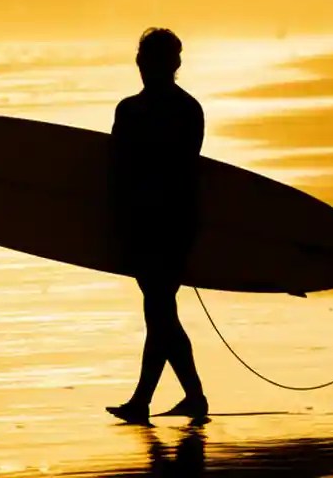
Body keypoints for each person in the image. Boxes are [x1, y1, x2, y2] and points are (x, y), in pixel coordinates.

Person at [105, 27, 208, 425]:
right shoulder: (189, 109)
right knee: (162, 309)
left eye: (152, 60)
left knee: (159, 310)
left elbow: (119, 172)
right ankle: (193, 397)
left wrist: (115, 222)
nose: (148, 67)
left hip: (152, 223)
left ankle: (142, 401)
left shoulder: (131, 110)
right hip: (175, 222)